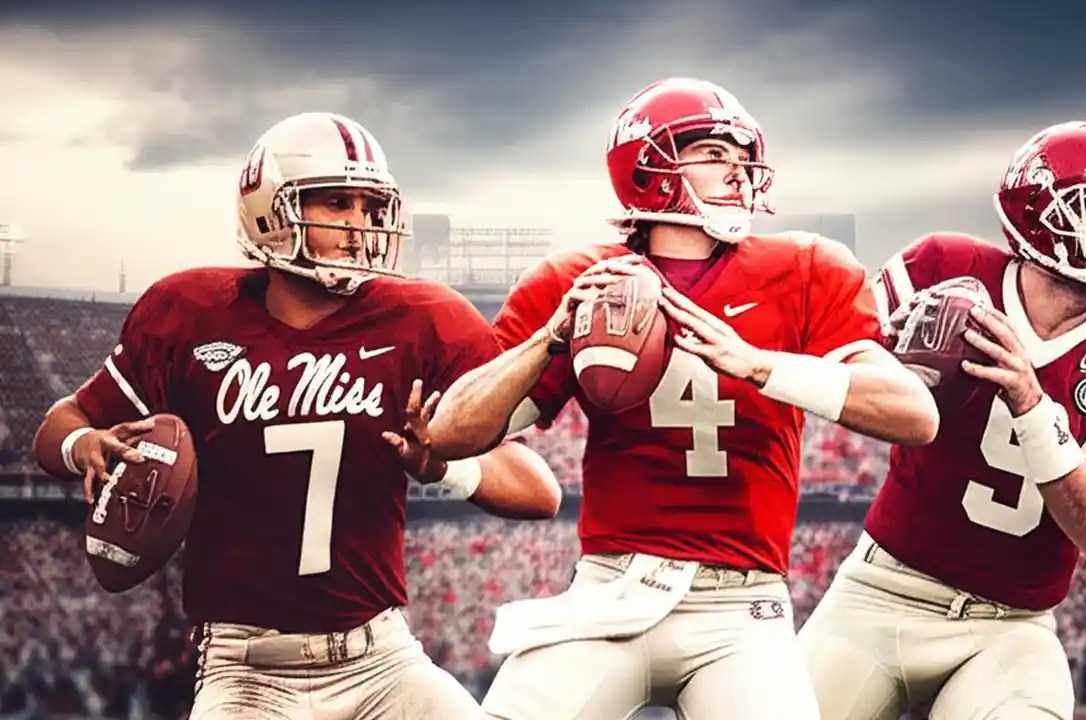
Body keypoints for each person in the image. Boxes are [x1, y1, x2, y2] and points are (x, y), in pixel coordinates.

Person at [427, 77, 939, 720]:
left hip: (743, 607)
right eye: (714, 152)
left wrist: (761, 366)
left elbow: (915, 414)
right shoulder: (577, 281)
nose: (739, 170)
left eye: (742, 154)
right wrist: (550, 338)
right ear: (648, 168)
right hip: (612, 588)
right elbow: (450, 434)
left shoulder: (808, 269)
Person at [31, 111, 561, 720]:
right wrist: (86, 444)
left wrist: (440, 466)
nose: (360, 226)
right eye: (337, 204)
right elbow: (59, 426)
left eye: (370, 208)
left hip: (381, 659)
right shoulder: (189, 313)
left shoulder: (424, 320)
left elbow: (540, 490)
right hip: (247, 668)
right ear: (270, 212)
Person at [798, 121, 1086, 719]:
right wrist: (886, 360)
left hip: (1013, 627)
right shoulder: (941, 267)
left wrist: (1031, 403)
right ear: (1044, 217)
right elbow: (832, 362)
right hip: (880, 595)